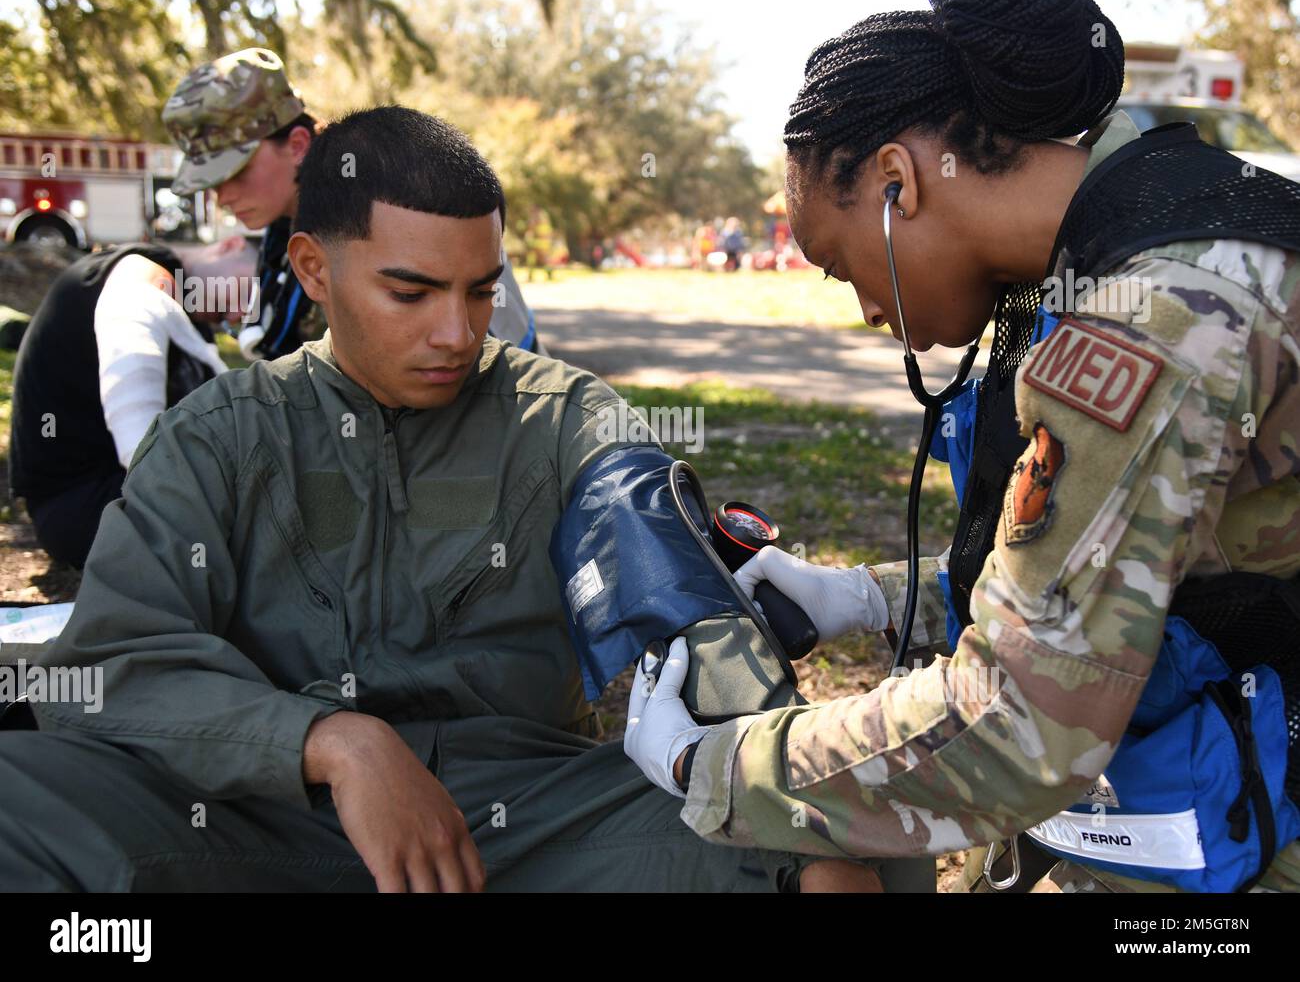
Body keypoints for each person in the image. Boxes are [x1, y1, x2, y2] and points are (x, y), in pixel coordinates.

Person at [0, 106, 891, 893]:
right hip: (257, 819)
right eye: (410, 291)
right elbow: (117, 663)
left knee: (857, 823)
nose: (457, 333)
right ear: (313, 269)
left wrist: (794, 821)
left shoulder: (567, 420)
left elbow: (691, 609)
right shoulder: (218, 437)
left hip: (524, 828)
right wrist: (331, 743)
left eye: (480, 289)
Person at [623, 0, 1300, 894]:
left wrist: (717, 768)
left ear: (899, 183)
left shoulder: (1154, 318)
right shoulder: (1157, 230)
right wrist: (865, 599)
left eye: (838, 263)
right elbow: (1115, 569)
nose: (865, 306)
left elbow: (1016, 727)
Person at [162, 47, 542, 360]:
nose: (222, 196)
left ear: (296, 145)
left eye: (237, 172)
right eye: (212, 182)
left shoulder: (391, 206)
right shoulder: (289, 225)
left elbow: (469, 362)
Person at [7, 237, 251, 567]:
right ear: (229, 244)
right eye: (250, 290)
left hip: (109, 502)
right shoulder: (143, 269)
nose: (238, 314)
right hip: (91, 507)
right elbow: (133, 323)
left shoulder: (185, 314)